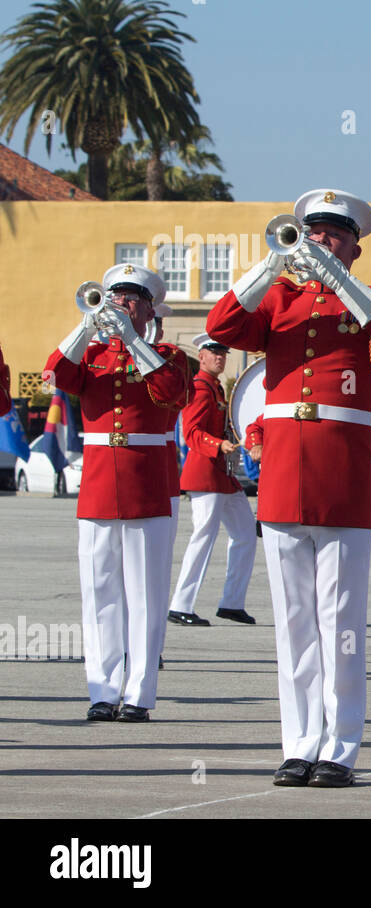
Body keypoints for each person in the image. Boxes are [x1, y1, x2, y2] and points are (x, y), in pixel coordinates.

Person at [207, 188, 371, 786]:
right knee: (295, 620)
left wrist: (338, 282)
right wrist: (271, 265)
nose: (321, 240)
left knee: (342, 618)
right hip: (282, 473)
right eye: (313, 231)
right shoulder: (278, 298)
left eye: (333, 233)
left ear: (355, 244)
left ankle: (340, 746)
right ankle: (299, 743)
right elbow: (222, 325)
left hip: (343, 476)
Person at [46, 263, 189, 721]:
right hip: (99, 486)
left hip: (147, 483)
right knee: (99, 591)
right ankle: (102, 691)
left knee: (146, 596)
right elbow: (55, 373)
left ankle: (139, 694)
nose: (122, 304)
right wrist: (87, 324)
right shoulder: (90, 356)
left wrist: (131, 339)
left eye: (131, 298)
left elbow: (170, 392)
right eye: (116, 297)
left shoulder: (167, 353)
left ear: (149, 307)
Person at [168, 333, 258, 627]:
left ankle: (232, 602)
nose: (220, 357)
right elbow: (191, 433)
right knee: (203, 537)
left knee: (245, 533)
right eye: (213, 353)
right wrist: (217, 444)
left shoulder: (215, 388)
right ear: (201, 356)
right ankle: (181, 604)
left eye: (223, 353)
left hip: (222, 474)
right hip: (205, 471)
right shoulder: (200, 388)